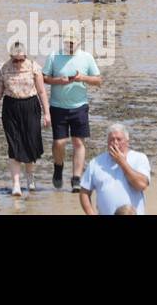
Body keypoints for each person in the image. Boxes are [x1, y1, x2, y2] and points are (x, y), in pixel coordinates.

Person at [45, 24, 104, 191]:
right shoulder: (54, 56)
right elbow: (44, 78)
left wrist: (81, 78)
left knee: (78, 141)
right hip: (58, 106)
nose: (69, 45)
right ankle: (58, 167)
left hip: (79, 106)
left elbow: (98, 80)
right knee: (59, 142)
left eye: (72, 42)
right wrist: (58, 81)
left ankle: (76, 178)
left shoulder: (86, 57)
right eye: (67, 42)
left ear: (79, 42)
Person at [0, 42, 51, 196]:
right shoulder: (3, 68)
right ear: (10, 58)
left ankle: (29, 177)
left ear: (25, 57)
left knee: (30, 144)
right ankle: (16, 184)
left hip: (30, 106)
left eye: (20, 60)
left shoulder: (34, 67)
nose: (17, 63)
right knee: (14, 145)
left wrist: (47, 113)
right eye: (14, 60)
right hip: (10, 107)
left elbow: (42, 92)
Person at [79, 123, 151, 215]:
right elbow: (84, 192)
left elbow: (142, 185)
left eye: (119, 139)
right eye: (112, 139)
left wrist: (122, 163)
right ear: (107, 142)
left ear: (127, 141)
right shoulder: (96, 162)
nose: (115, 142)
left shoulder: (139, 158)